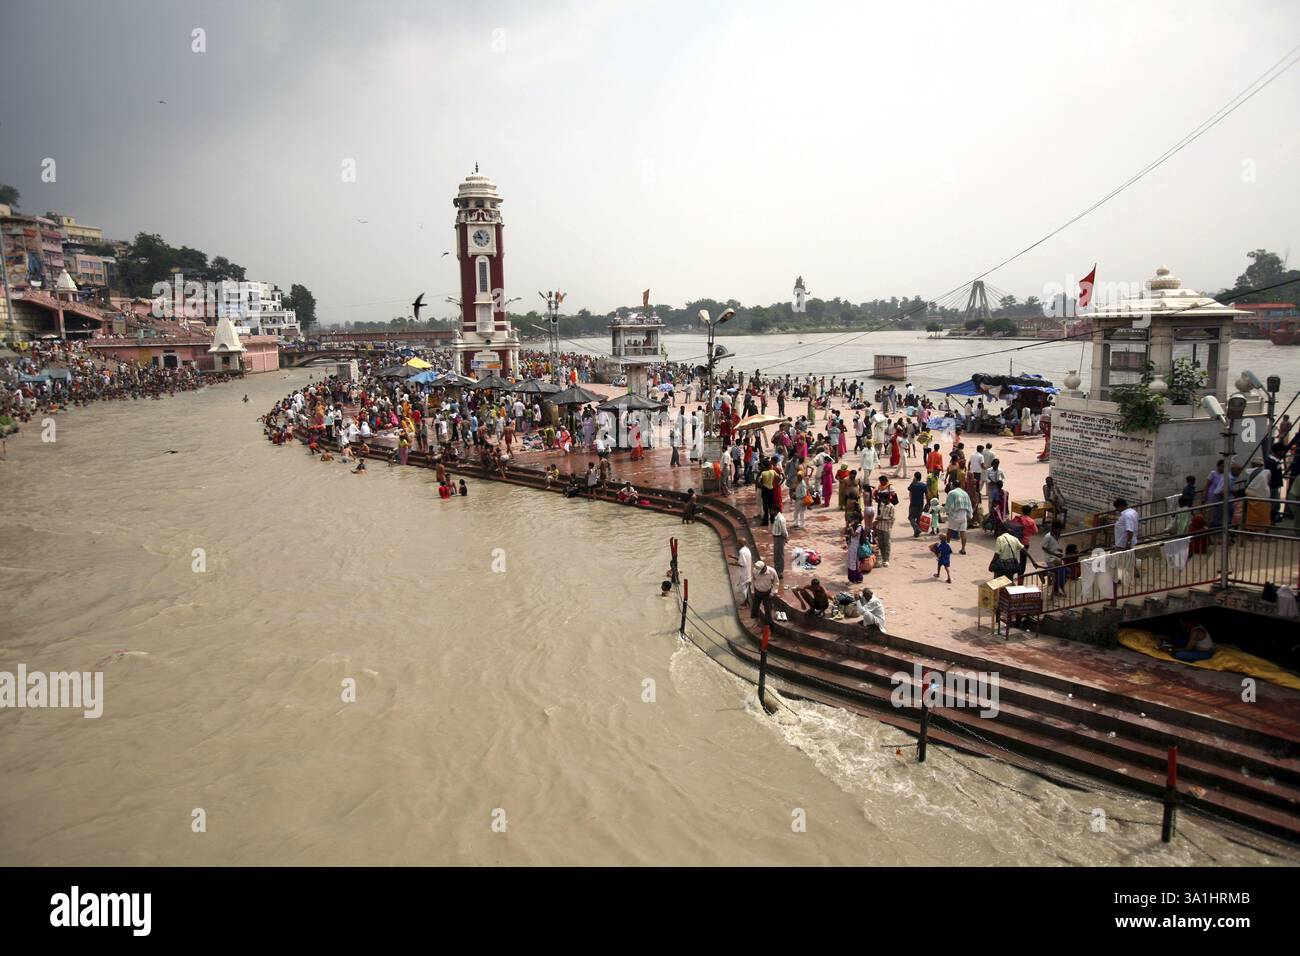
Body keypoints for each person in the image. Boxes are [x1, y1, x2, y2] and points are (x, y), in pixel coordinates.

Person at [945, 481, 973, 554]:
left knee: (950, 530)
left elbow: (949, 504)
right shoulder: (965, 493)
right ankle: (963, 549)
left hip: (955, 514)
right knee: (963, 532)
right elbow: (969, 504)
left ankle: (947, 546)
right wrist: (970, 514)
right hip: (963, 514)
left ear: (953, 485)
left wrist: (947, 511)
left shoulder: (951, 493)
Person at [770, 506, 789, 577]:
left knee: (779, 555)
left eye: (772, 510)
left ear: (776, 510)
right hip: (776, 538)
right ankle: (777, 569)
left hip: (780, 538)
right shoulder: (777, 518)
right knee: (776, 554)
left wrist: (786, 538)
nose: (771, 512)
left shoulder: (780, 519)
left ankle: (780, 572)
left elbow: (784, 530)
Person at [907, 471, 926, 537]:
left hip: (913, 504)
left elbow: (909, 489)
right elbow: (927, 494)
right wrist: (928, 503)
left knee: (911, 517)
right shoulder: (924, 485)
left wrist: (913, 482)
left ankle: (917, 529)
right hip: (921, 504)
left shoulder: (913, 484)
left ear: (915, 477)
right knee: (918, 518)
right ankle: (916, 533)